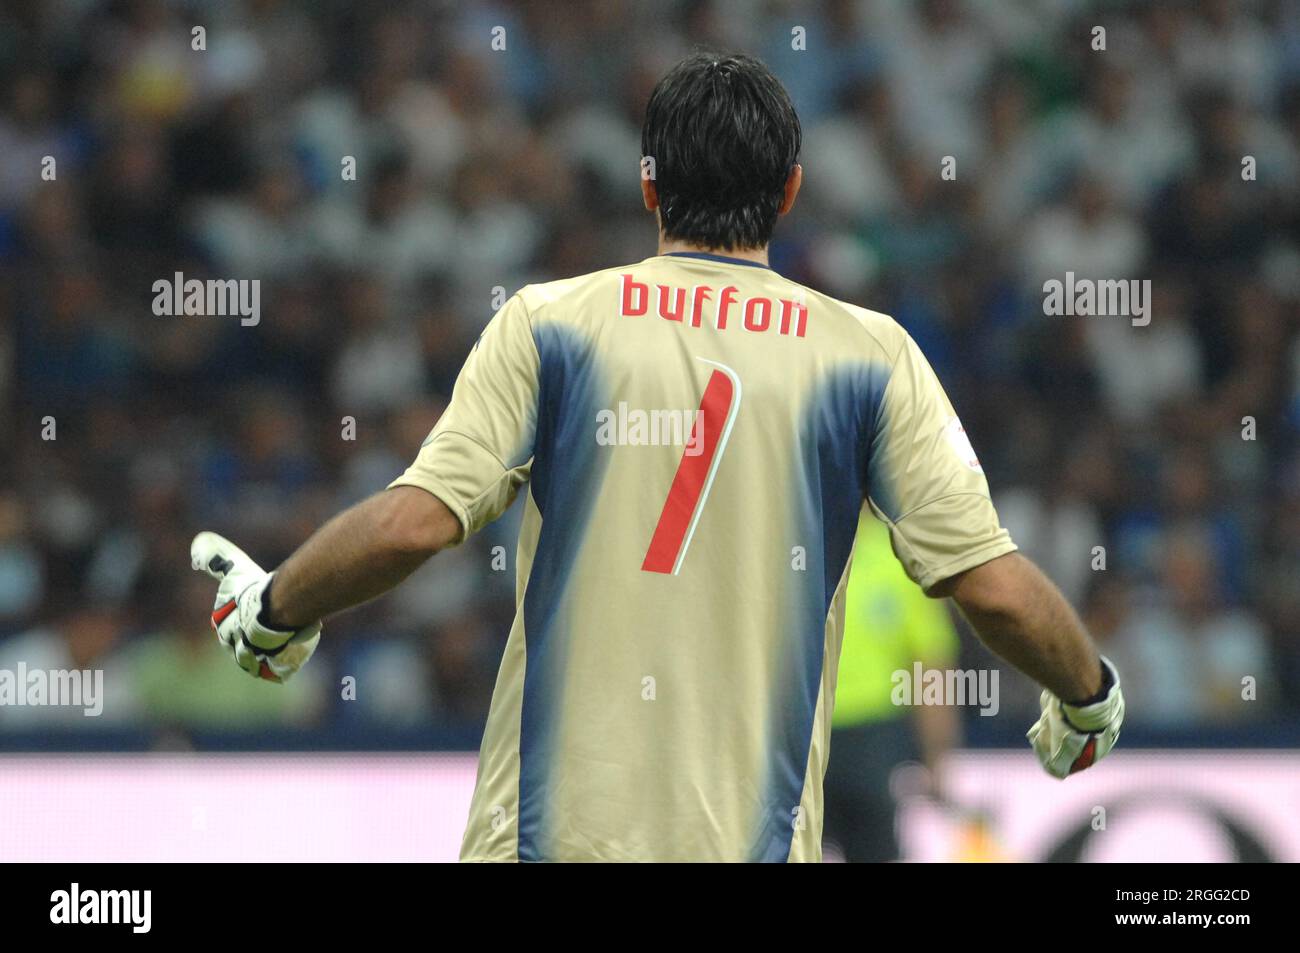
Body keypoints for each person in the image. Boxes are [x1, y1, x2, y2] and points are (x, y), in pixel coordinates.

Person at [191, 52, 1124, 863]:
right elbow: (990, 585)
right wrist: (1088, 695)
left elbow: (416, 521)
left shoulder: (549, 324)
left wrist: (275, 611)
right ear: (791, 191)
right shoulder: (868, 355)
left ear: (647, 187)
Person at [824, 512, 960, 862]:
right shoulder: (903, 558)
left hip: (835, 740)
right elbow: (930, 667)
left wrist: (937, 757)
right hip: (864, 744)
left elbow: (929, 668)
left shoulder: (784, 549)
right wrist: (936, 760)